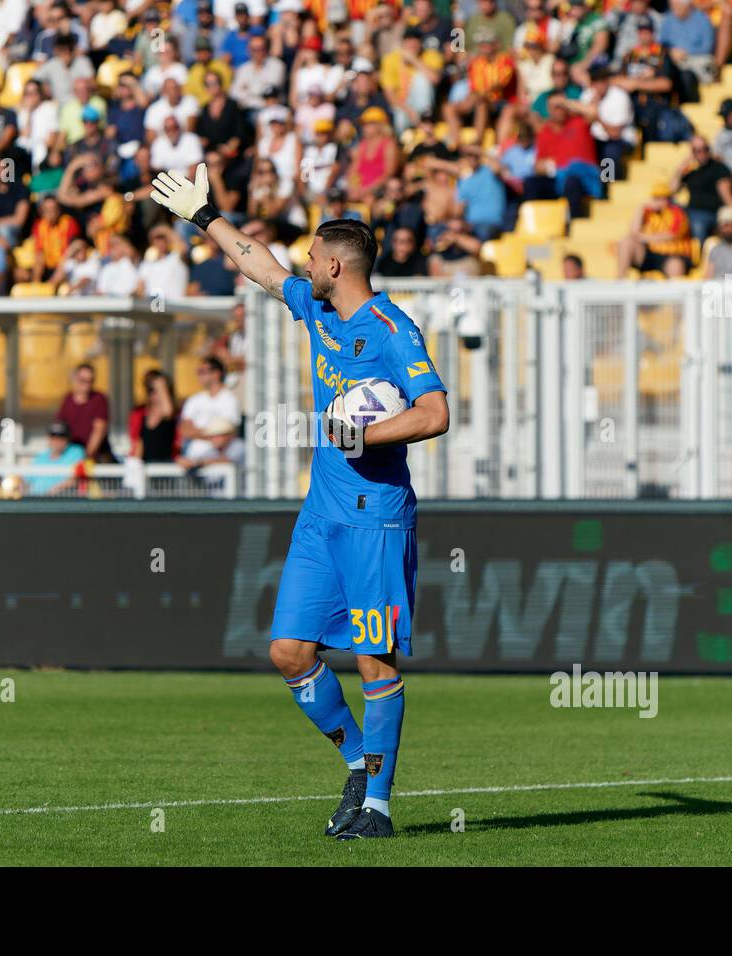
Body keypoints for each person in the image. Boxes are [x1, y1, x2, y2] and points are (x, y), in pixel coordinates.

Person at [150, 163, 450, 840]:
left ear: (338, 267)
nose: (304, 263)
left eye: (313, 255)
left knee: (375, 662)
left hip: (376, 518)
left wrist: (366, 431)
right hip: (321, 515)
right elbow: (260, 267)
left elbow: (435, 413)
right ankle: (356, 763)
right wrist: (206, 218)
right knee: (289, 651)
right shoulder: (316, 307)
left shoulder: (393, 330)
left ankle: (378, 807)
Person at [56, 363, 113, 462]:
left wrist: (86, 457)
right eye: (83, 380)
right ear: (75, 379)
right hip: (72, 455)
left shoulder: (99, 399)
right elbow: (60, 429)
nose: (87, 384)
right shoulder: (67, 399)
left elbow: (99, 430)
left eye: (90, 381)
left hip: (95, 456)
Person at [128, 369, 178, 462]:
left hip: (165, 466)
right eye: (151, 390)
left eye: (159, 390)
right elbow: (138, 442)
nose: (155, 394)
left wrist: (161, 386)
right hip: (146, 465)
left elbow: (168, 412)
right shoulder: (140, 414)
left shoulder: (172, 414)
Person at [25, 421, 86, 496]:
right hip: (34, 501)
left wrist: (50, 493)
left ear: (68, 438)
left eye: (60, 437)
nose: (56, 441)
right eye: (53, 436)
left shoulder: (76, 452)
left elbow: (75, 479)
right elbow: (26, 481)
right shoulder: (41, 456)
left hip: (61, 501)